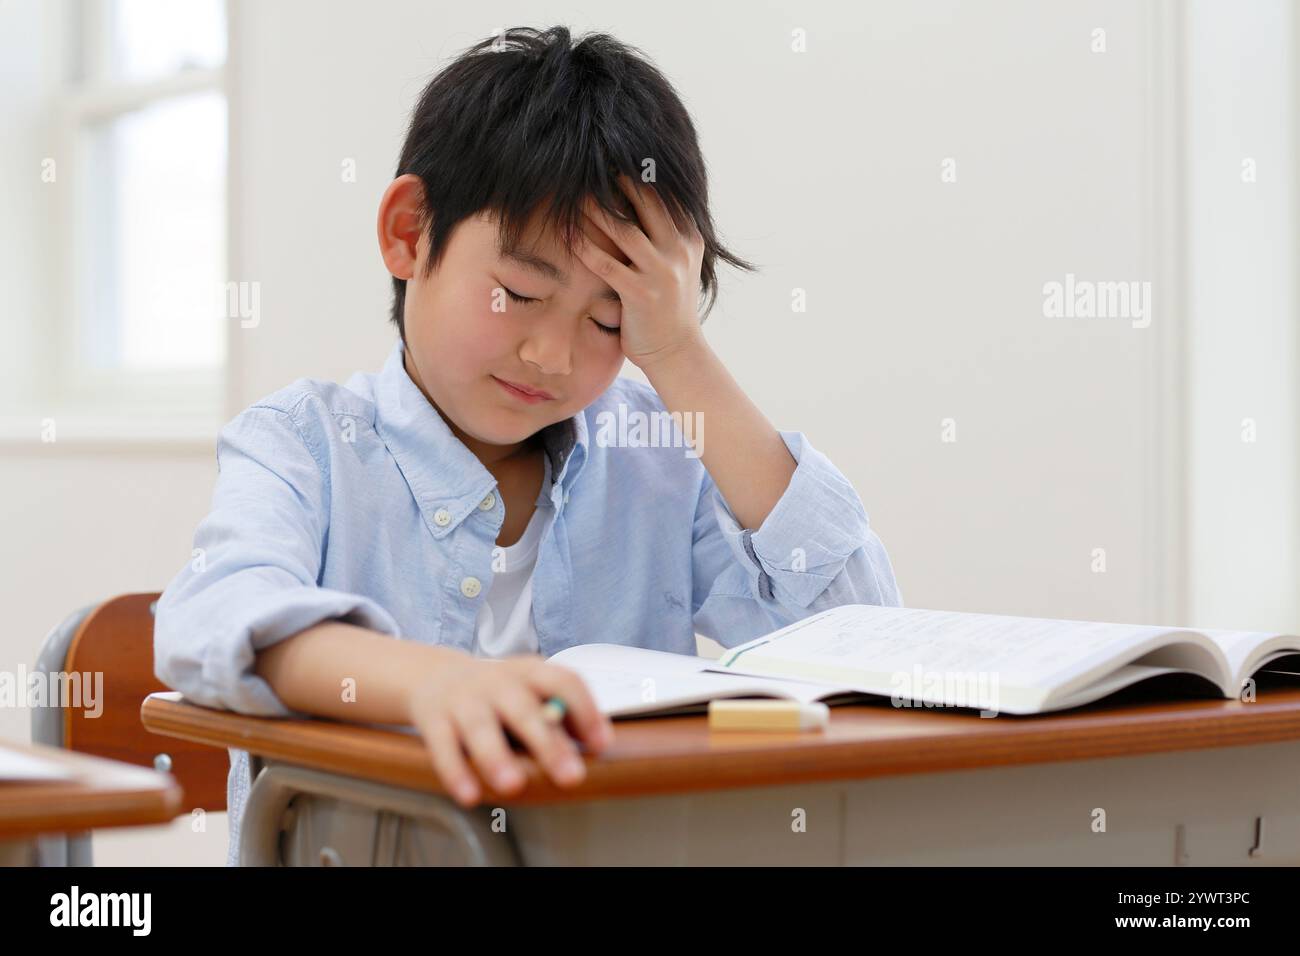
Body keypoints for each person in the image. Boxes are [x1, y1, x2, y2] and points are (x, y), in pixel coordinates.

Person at [153, 25, 902, 866]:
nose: (552, 355)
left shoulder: (659, 455)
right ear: (409, 233)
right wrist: (437, 684)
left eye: (610, 320)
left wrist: (679, 355)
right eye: (517, 293)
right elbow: (212, 618)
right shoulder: (305, 445)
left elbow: (862, 638)